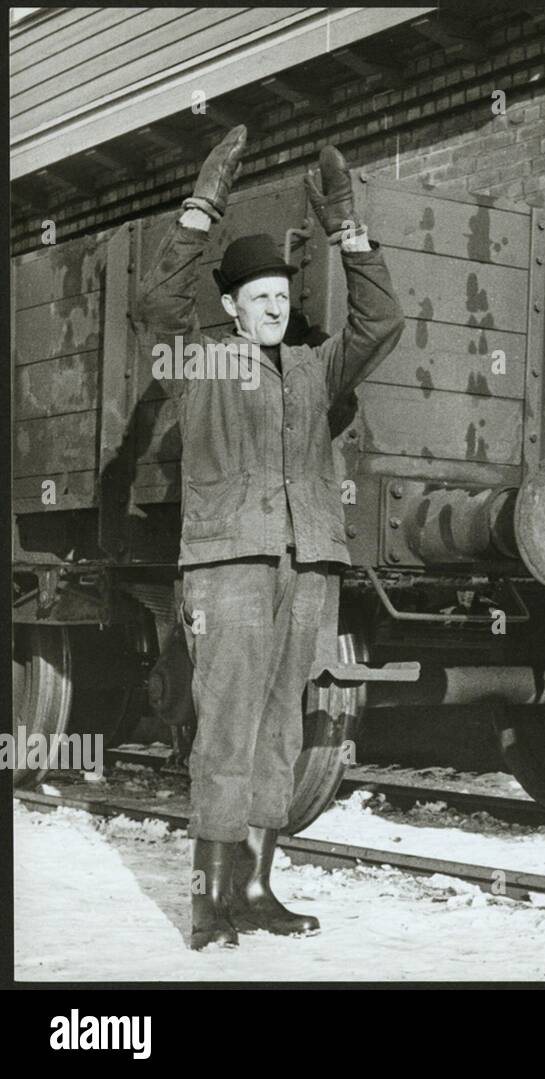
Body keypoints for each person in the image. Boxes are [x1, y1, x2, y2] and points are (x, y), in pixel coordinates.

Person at [134, 126, 404, 949]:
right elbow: (154, 303)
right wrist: (201, 205)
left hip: (307, 565)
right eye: (258, 295)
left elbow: (383, 321)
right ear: (231, 307)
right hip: (228, 568)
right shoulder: (205, 361)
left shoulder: (317, 367)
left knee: (284, 727)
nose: (275, 304)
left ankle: (256, 884)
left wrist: (349, 231)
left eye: (283, 294)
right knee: (225, 728)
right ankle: (207, 899)